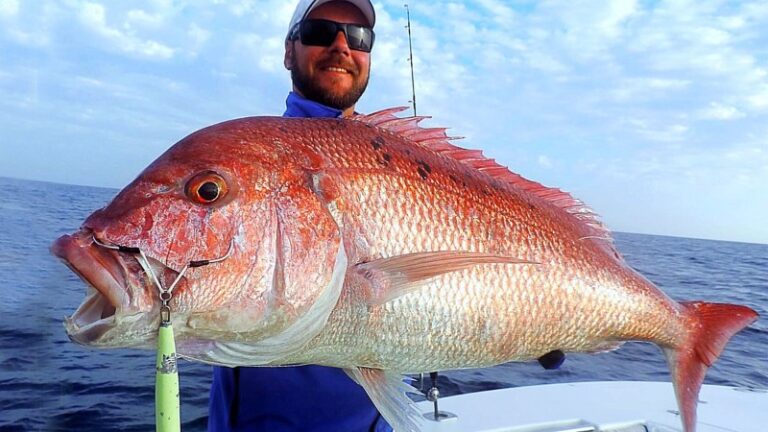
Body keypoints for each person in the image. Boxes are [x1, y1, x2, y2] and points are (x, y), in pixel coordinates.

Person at [208, 1, 391, 431]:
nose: (342, 45)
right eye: (319, 31)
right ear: (289, 51)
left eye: (359, 37)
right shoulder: (252, 160)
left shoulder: (402, 160)